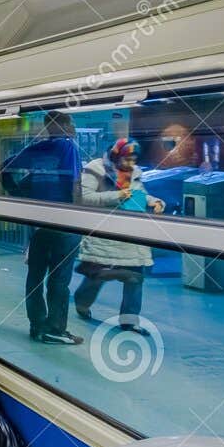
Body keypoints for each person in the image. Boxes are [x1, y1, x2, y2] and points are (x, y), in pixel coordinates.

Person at [0, 111, 84, 345]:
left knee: (35, 277)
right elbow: (74, 184)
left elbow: (4, 169)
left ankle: (37, 324)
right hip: (64, 224)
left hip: (38, 225)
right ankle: (55, 329)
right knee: (60, 280)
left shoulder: (35, 149)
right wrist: (80, 219)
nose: (74, 127)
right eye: (72, 122)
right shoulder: (69, 147)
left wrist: (19, 194)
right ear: (64, 124)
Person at [73, 138, 164, 331]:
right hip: (103, 236)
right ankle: (82, 303)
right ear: (116, 155)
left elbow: (139, 195)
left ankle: (130, 321)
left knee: (135, 278)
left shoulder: (134, 173)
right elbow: (84, 198)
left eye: (134, 159)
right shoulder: (95, 169)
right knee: (96, 276)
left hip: (130, 236)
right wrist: (116, 195)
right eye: (127, 159)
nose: (131, 163)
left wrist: (155, 201)